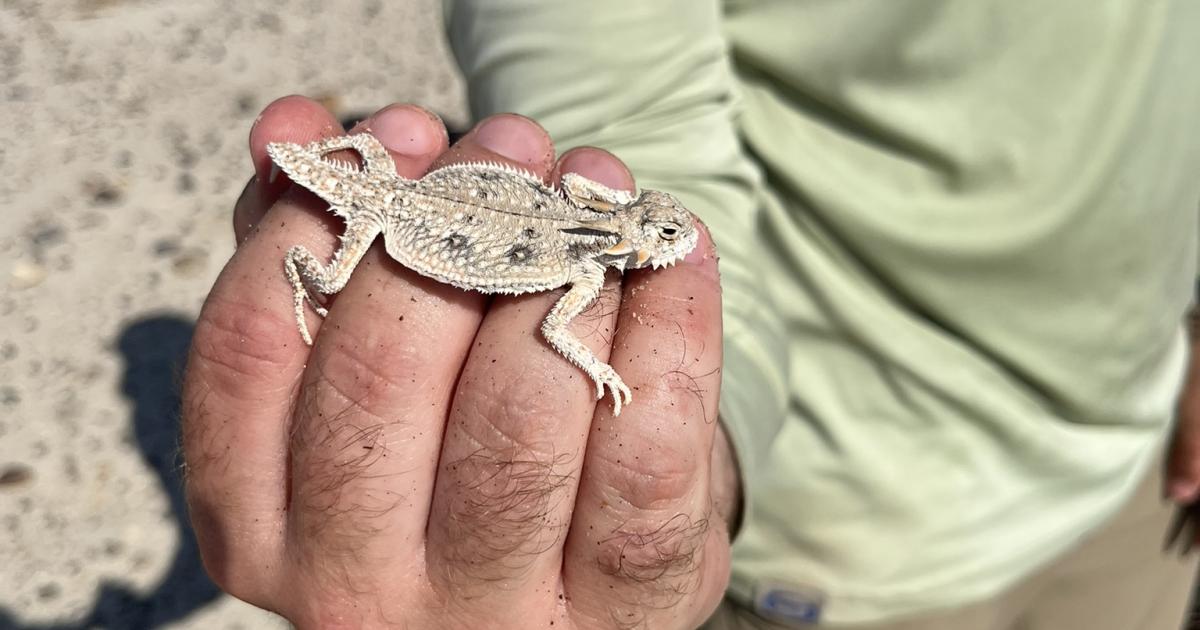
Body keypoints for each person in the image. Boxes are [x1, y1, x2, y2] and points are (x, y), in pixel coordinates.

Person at [181, 1, 1200, 628]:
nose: (675, 243)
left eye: (666, 235)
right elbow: (626, 140)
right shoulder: (592, 265)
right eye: (665, 239)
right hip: (844, 544)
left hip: (1131, 453)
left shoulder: (599, 235)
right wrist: (674, 450)